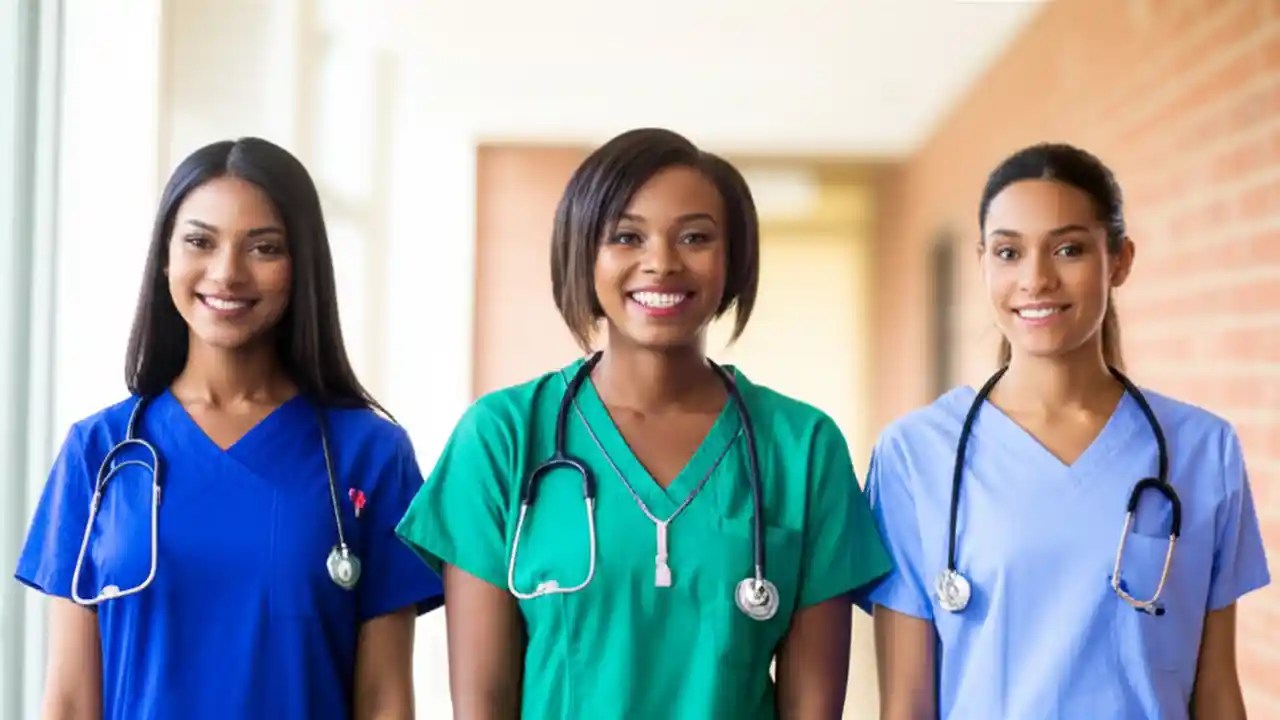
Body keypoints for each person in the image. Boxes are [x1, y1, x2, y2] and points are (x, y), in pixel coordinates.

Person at [395, 127, 890, 719]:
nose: (661, 263)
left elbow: (812, 709)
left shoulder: (802, 448)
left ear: (733, 259)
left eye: (695, 237)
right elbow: (482, 706)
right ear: (583, 253)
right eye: (627, 236)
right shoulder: (502, 438)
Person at [15, 137, 444, 720]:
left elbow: (386, 700)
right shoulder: (99, 452)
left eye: (264, 248)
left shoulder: (369, 455)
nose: (227, 272)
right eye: (199, 241)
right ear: (165, 256)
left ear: (301, 265)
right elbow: (66, 701)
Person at [862, 142, 1270, 719]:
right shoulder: (915, 454)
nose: (1037, 279)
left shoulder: (1204, 449)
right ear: (982, 261)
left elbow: (1218, 691)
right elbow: (904, 704)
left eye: (1069, 249)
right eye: (1008, 252)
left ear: (1120, 260)